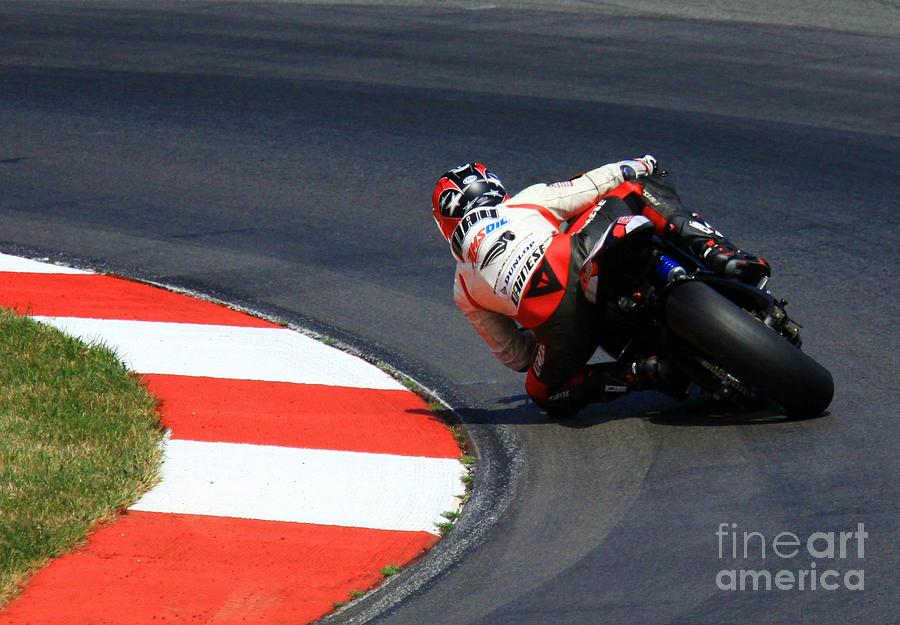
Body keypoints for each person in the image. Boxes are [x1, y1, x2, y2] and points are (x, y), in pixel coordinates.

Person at [431, 157, 770, 417]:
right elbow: (593, 184)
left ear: (446, 224)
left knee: (542, 392)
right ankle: (718, 252)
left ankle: (643, 374)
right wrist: (640, 164)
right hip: (580, 258)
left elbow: (517, 357)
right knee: (632, 187)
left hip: (562, 325)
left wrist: (543, 328)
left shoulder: (463, 286)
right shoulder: (521, 202)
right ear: (494, 188)